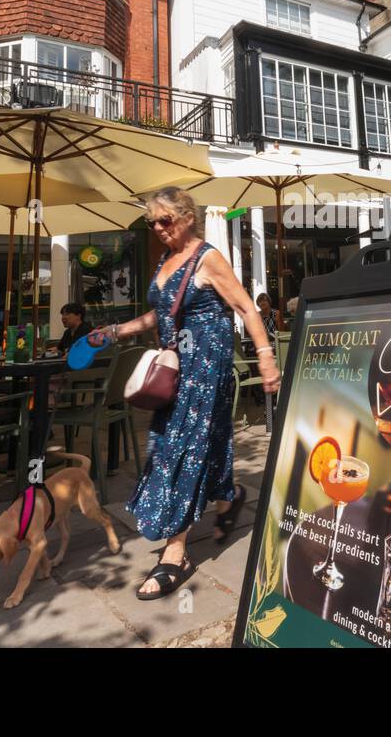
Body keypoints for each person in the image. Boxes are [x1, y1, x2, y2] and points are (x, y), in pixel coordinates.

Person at [88, 187, 280, 600]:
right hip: (176, 367)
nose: (158, 228)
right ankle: (228, 497)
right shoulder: (164, 259)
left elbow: (247, 308)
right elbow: (160, 313)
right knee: (193, 444)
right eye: (152, 222)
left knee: (179, 449)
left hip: (206, 368)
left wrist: (265, 357)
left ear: (187, 218)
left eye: (165, 221)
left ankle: (175, 553)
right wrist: (116, 330)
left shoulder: (208, 257)